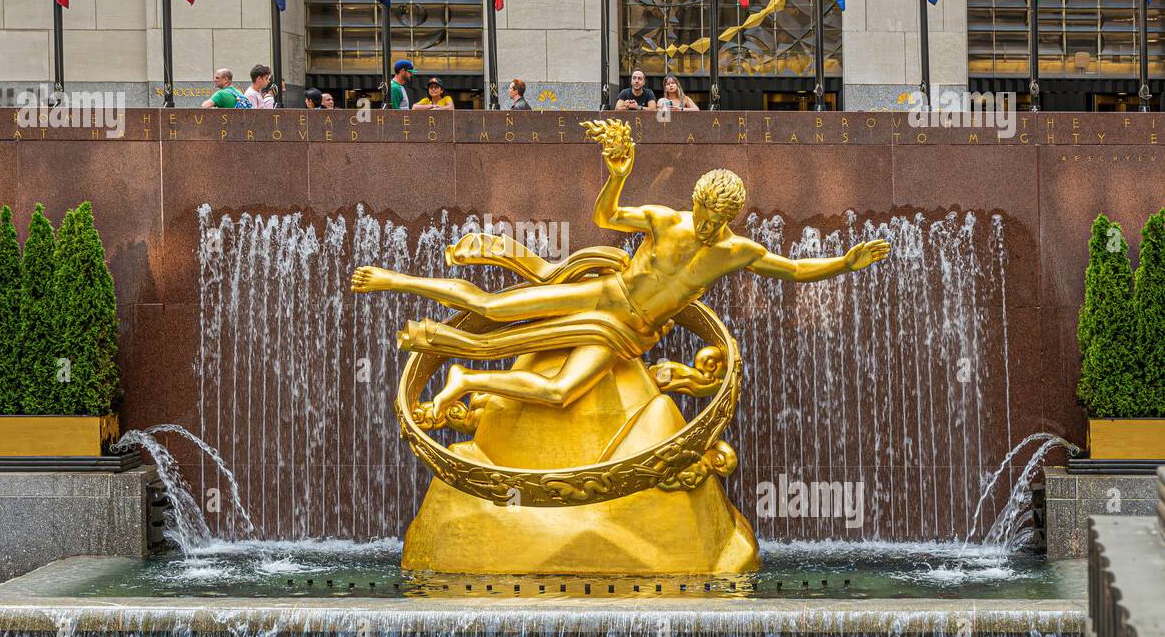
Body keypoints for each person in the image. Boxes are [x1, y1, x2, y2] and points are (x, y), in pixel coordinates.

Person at [352, 121, 890, 420]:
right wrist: (618, 175)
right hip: (602, 295)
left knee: (563, 392)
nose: (704, 225)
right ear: (695, 202)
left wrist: (846, 261)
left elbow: (794, 270)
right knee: (492, 308)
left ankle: (467, 378)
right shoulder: (664, 219)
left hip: (627, 335)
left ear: (731, 218)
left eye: (716, 220)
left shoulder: (735, 251)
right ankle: (395, 280)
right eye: (702, 213)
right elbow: (605, 217)